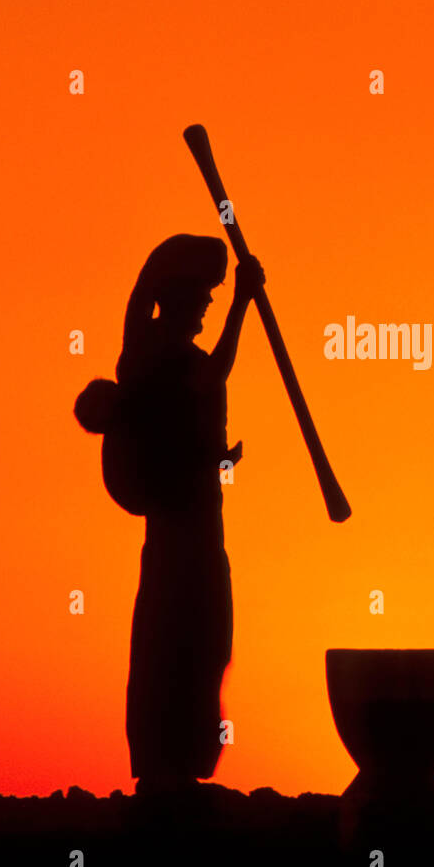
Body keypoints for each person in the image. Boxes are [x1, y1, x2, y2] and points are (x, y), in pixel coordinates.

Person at [112, 234, 264, 795]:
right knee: (175, 635)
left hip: (202, 518)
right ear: (178, 298)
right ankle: (163, 767)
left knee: (205, 636)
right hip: (178, 525)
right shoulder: (151, 351)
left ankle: (183, 764)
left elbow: (205, 381)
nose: (207, 305)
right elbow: (209, 378)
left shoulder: (172, 353)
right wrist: (243, 302)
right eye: (202, 296)